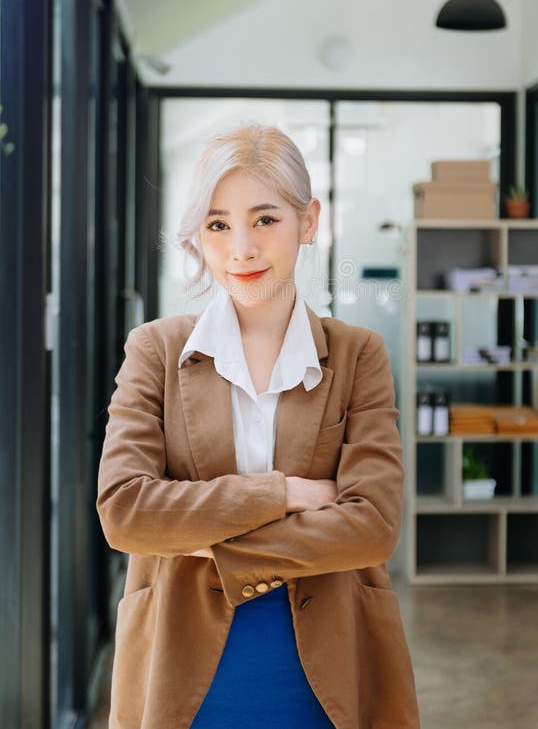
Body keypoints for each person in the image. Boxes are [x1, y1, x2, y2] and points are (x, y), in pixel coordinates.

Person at [96, 124, 420, 728]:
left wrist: (194, 534)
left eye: (265, 220)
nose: (240, 248)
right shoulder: (155, 351)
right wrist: (284, 494)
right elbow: (124, 512)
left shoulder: (358, 356)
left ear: (309, 221)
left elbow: (372, 528)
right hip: (180, 660)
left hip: (327, 659)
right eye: (218, 224)